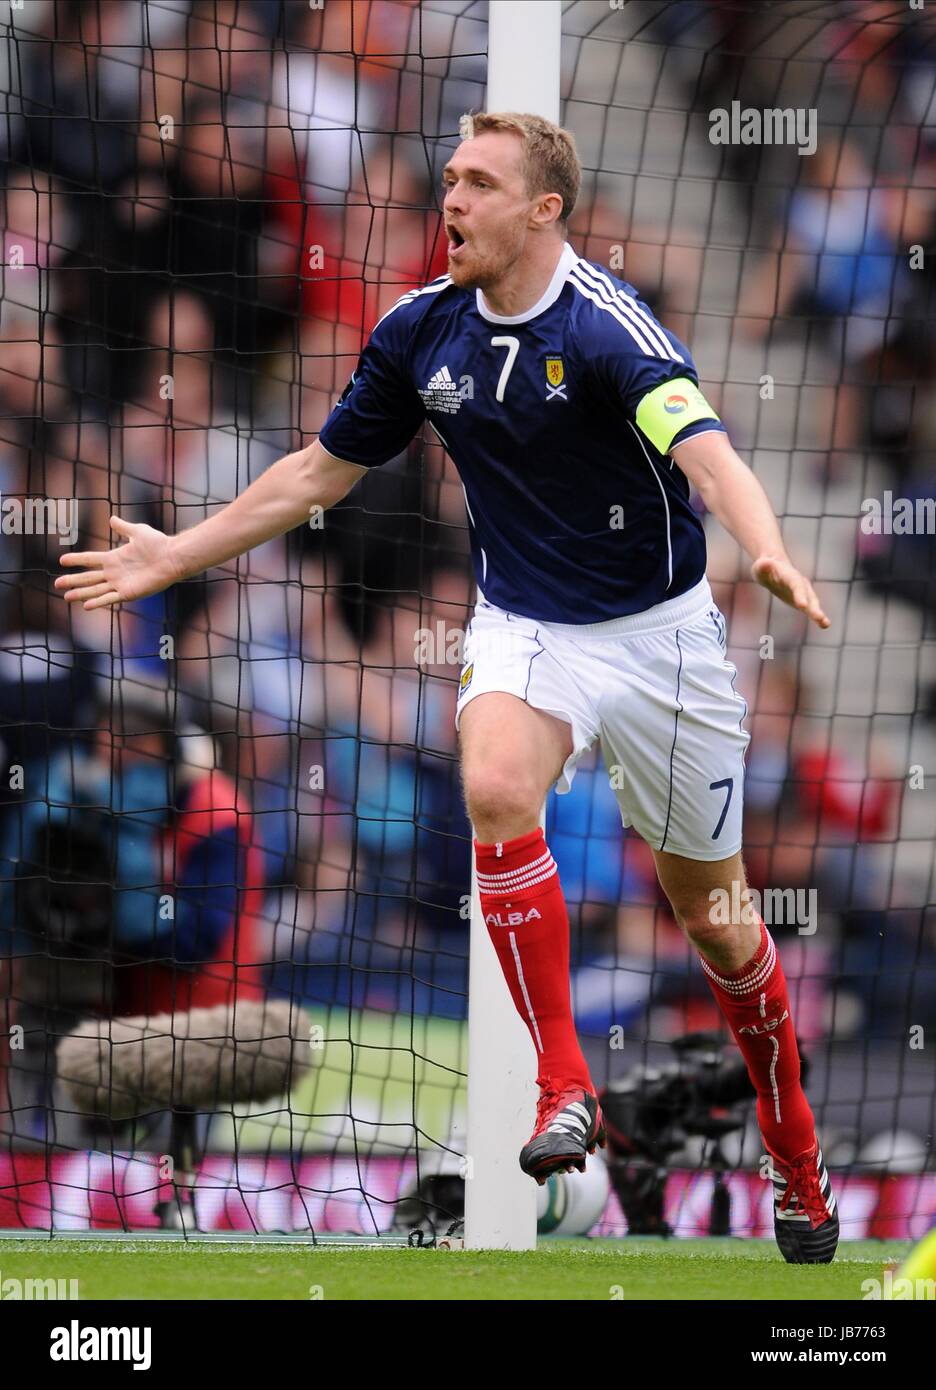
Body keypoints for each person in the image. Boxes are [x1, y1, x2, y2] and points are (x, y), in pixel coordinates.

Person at [56, 111, 836, 1262]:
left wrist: (764, 544)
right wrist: (178, 551)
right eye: (452, 179)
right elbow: (318, 469)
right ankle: (561, 1082)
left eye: (480, 184)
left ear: (543, 210)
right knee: (494, 785)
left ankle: (798, 1151)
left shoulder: (609, 328)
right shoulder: (422, 332)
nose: (452, 201)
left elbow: (708, 455)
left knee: (722, 930)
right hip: (527, 625)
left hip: (661, 641)